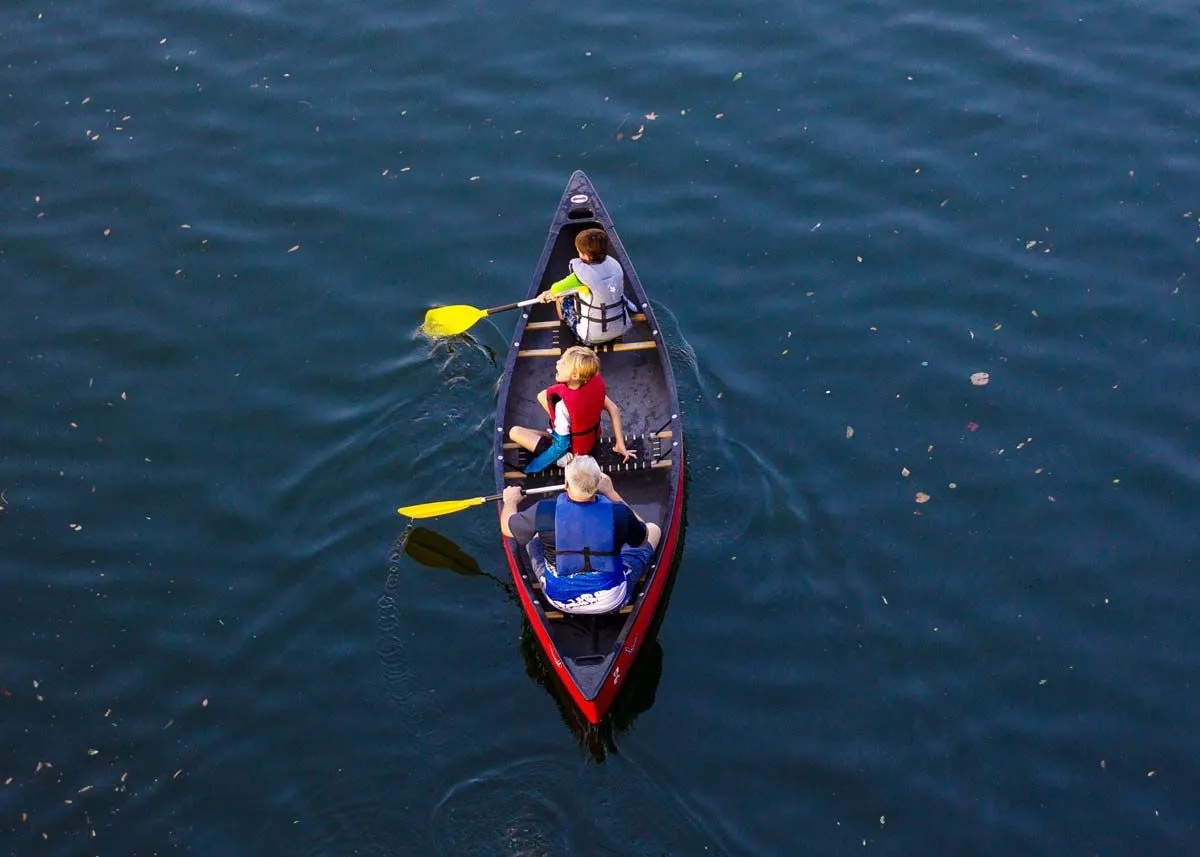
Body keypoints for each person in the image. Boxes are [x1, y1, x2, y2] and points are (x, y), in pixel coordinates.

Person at [500, 456, 662, 615]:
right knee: (654, 529)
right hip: (611, 601)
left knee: (533, 535)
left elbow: (507, 528)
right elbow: (643, 538)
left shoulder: (543, 512)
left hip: (560, 601)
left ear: (566, 484)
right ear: (598, 483)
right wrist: (612, 493)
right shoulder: (619, 513)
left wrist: (511, 501)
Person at [508, 345, 636, 474]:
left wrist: (533, 467)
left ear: (574, 375)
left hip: (572, 452)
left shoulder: (562, 406)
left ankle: (562, 459)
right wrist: (620, 444)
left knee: (514, 432)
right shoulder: (593, 381)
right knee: (543, 396)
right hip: (591, 440)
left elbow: (561, 445)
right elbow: (614, 409)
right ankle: (557, 433)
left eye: (563, 364)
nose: (557, 363)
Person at [536, 228, 633, 344]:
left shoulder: (578, 277)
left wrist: (543, 296)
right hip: (621, 329)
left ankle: (565, 322)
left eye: (579, 251)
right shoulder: (615, 265)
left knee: (562, 298)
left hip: (590, 338)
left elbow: (555, 290)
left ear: (587, 256)